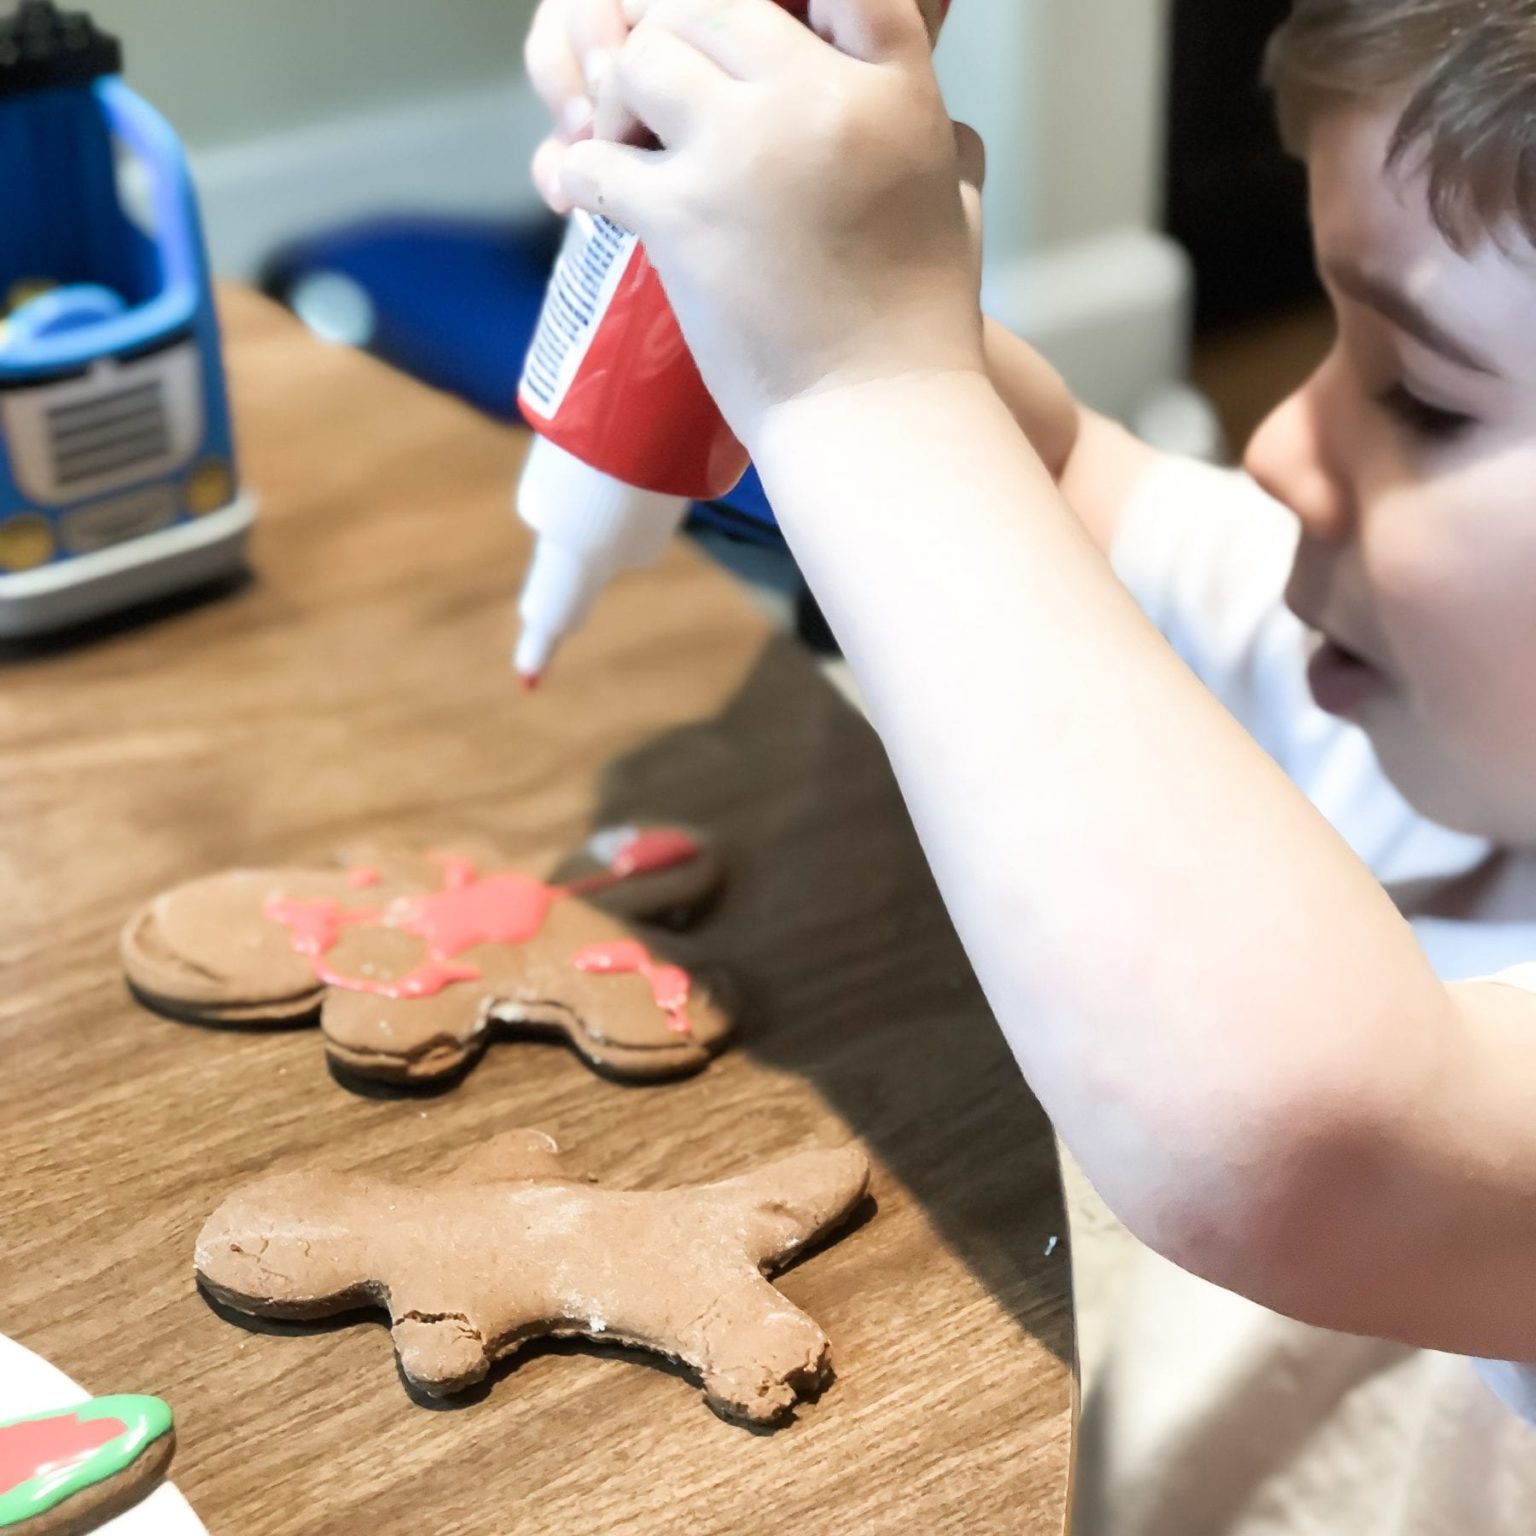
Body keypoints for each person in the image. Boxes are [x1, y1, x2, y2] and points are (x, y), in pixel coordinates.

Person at [523, 0, 1536, 1527]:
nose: (1275, 445)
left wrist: (856, 388)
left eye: (1426, 395)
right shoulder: (1444, 693)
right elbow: (1061, 496)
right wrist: (799, 238)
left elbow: (1311, 1139)